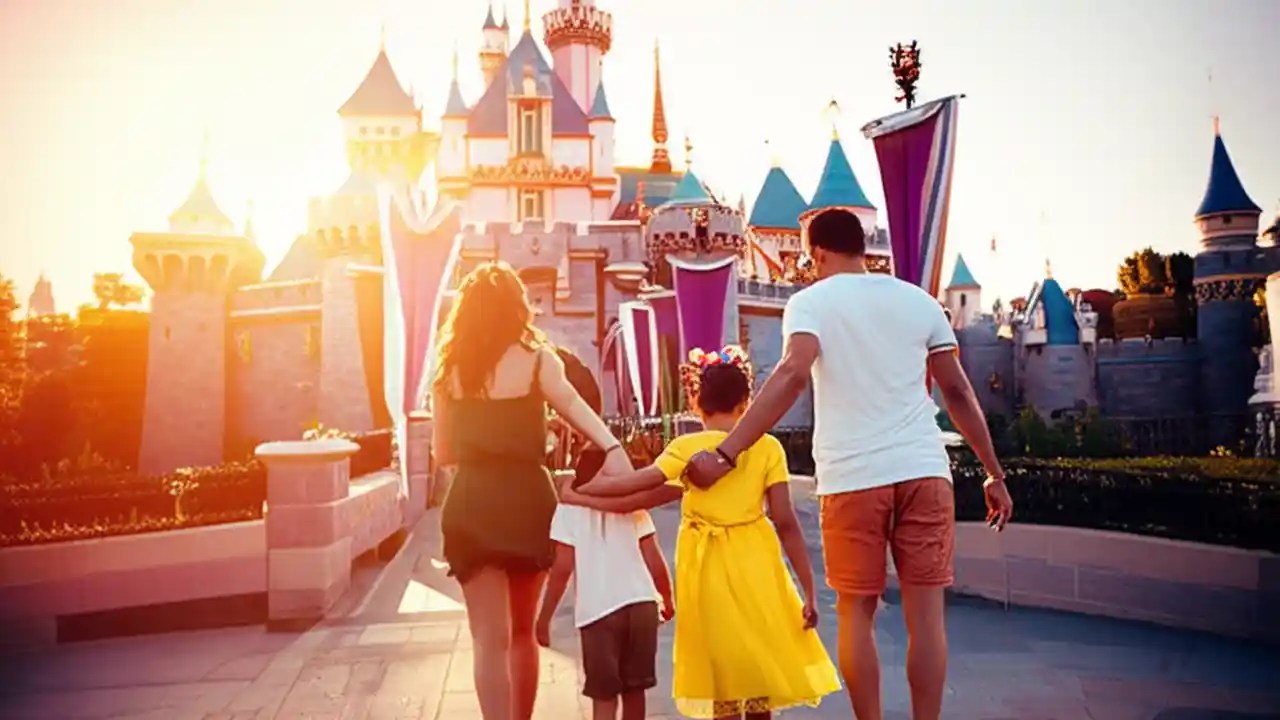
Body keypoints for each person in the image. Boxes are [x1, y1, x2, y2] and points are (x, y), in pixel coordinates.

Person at [683, 209, 1014, 720]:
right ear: (864, 248)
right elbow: (956, 391)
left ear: (815, 253)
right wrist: (993, 472)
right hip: (924, 470)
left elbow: (794, 372)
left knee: (857, 615)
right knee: (926, 619)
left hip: (854, 477)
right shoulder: (919, 301)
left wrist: (727, 452)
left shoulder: (810, 302)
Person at [562, 345, 841, 720]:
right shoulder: (767, 447)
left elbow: (636, 487)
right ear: (747, 401)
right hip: (756, 563)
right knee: (757, 664)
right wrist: (807, 589)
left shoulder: (686, 446)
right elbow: (785, 521)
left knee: (722, 670)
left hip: (707, 567)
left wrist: (580, 492)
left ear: (696, 402)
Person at [431, 262, 633, 720]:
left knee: (488, 641)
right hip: (528, 499)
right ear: (517, 307)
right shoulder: (539, 357)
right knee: (523, 632)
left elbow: (443, 453)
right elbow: (575, 408)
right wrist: (613, 448)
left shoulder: (448, 371)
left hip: (472, 501)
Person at [534, 460, 674, 720]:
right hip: (641, 605)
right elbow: (653, 560)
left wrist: (543, 619)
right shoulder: (632, 506)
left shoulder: (569, 508)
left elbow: (562, 568)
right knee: (635, 692)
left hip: (598, 614)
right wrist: (667, 599)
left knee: (604, 696)